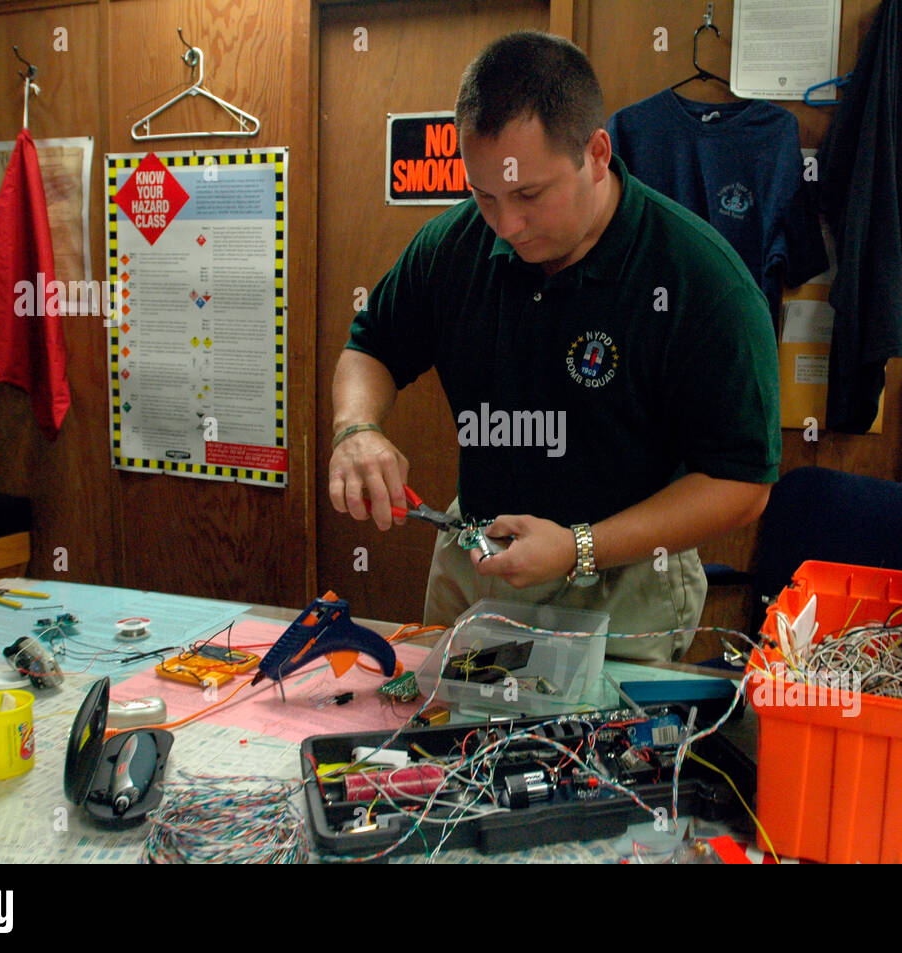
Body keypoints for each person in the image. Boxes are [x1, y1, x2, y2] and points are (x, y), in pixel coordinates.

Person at [328, 31, 780, 659]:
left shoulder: (700, 280)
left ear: (597, 154)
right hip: (476, 558)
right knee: (443, 745)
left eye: (529, 195)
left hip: (621, 583)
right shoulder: (451, 248)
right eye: (485, 195)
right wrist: (357, 429)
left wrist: (579, 547)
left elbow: (741, 484)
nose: (506, 225)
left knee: (595, 756)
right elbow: (370, 347)